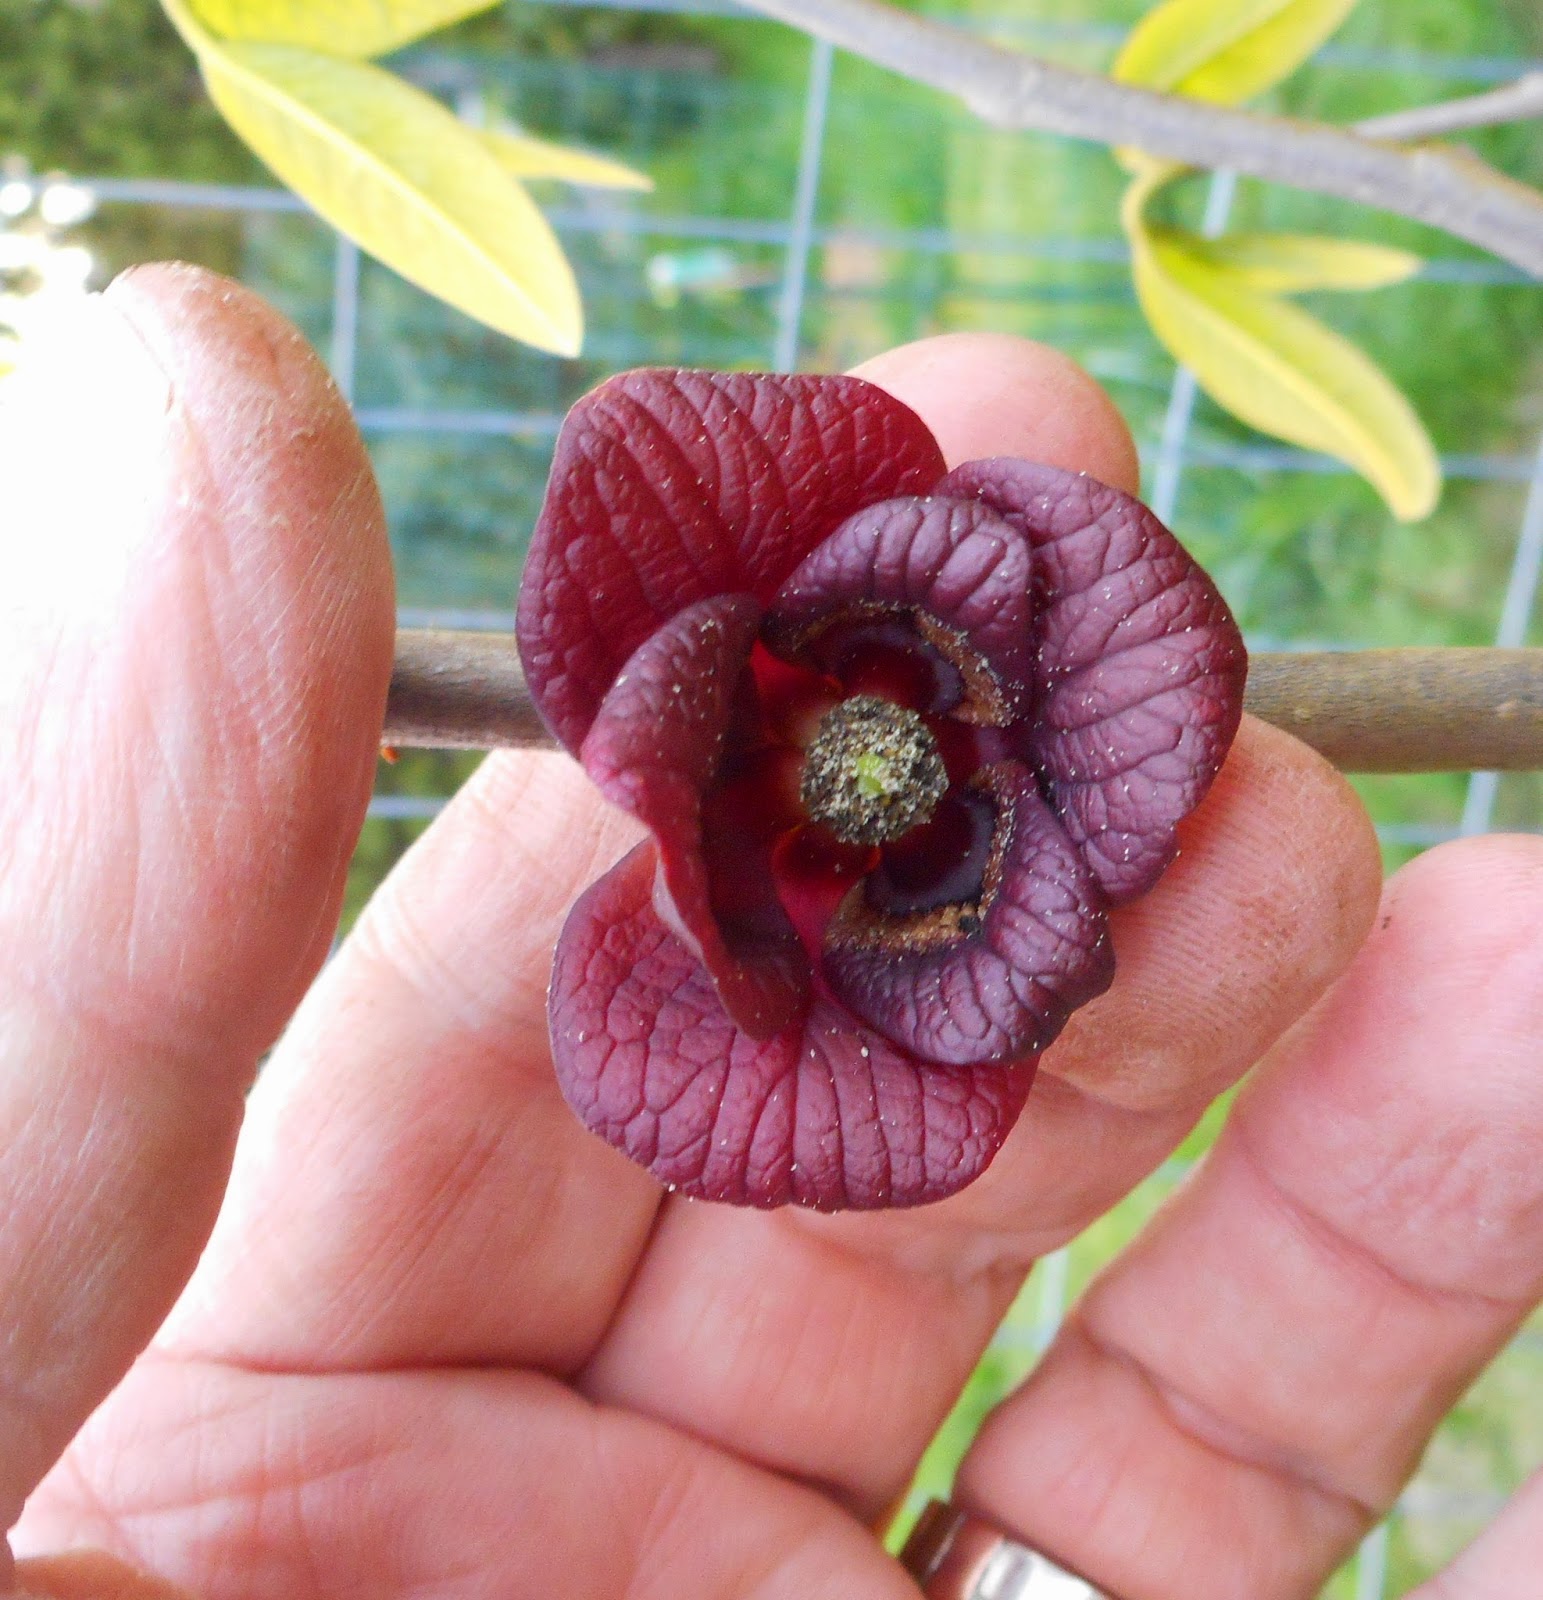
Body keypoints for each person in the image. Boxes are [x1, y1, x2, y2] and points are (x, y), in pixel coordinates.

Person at [1, 262, 1539, 1600]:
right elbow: (657, 484)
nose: (872, 772)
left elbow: (1126, 643)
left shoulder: (1041, 715)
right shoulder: (737, 963)